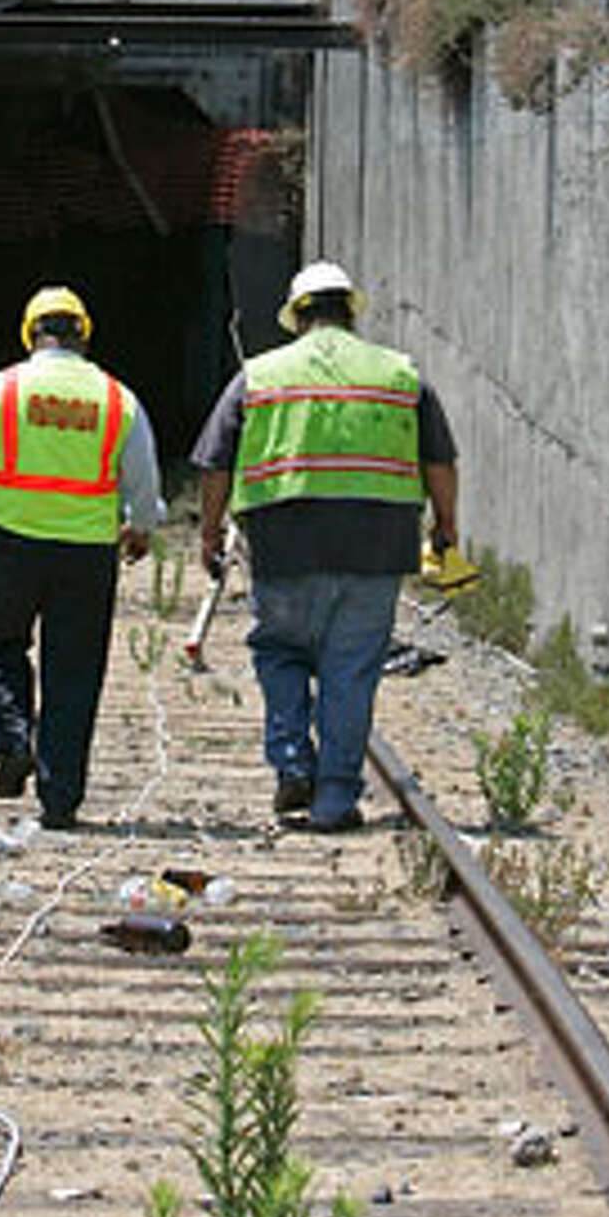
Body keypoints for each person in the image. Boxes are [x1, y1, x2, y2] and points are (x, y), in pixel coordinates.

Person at [190, 259, 458, 833]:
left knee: (281, 650)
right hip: (378, 546)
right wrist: (446, 526)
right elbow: (439, 458)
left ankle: (292, 764)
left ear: (297, 317)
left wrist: (210, 533)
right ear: (351, 314)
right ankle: (335, 799)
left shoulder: (259, 376)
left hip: (285, 543)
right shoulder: (401, 375)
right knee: (352, 668)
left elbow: (215, 463)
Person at [0, 285, 165, 831]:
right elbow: (144, 479)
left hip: (13, 546)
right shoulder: (117, 399)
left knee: (3, 645)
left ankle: (12, 739)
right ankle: (61, 798)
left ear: (31, 335)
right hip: (88, 554)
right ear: (84, 336)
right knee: (75, 669)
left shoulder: (0, 390)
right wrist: (141, 528)